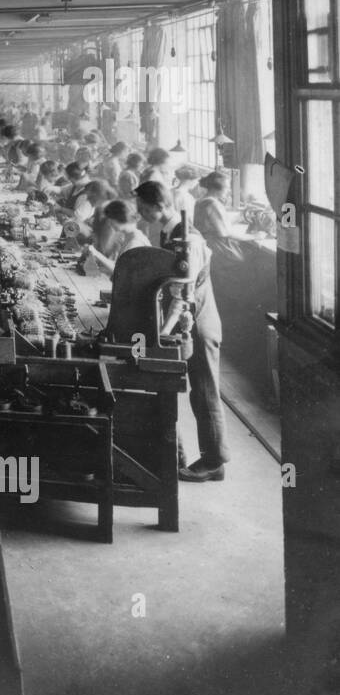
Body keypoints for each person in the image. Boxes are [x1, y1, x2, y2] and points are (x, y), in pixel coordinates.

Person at [134, 181, 227, 482]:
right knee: (196, 391)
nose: (140, 213)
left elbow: (181, 297)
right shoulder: (169, 232)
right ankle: (210, 458)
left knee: (204, 392)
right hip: (188, 318)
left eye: (143, 209)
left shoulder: (190, 240)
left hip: (198, 322)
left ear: (159, 206)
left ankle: (214, 462)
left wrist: (160, 334)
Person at [81, 199, 152, 277]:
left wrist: (96, 254)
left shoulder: (135, 242)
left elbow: (120, 271)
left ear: (121, 218)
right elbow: (119, 265)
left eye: (111, 220)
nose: (110, 224)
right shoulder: (129, 236)